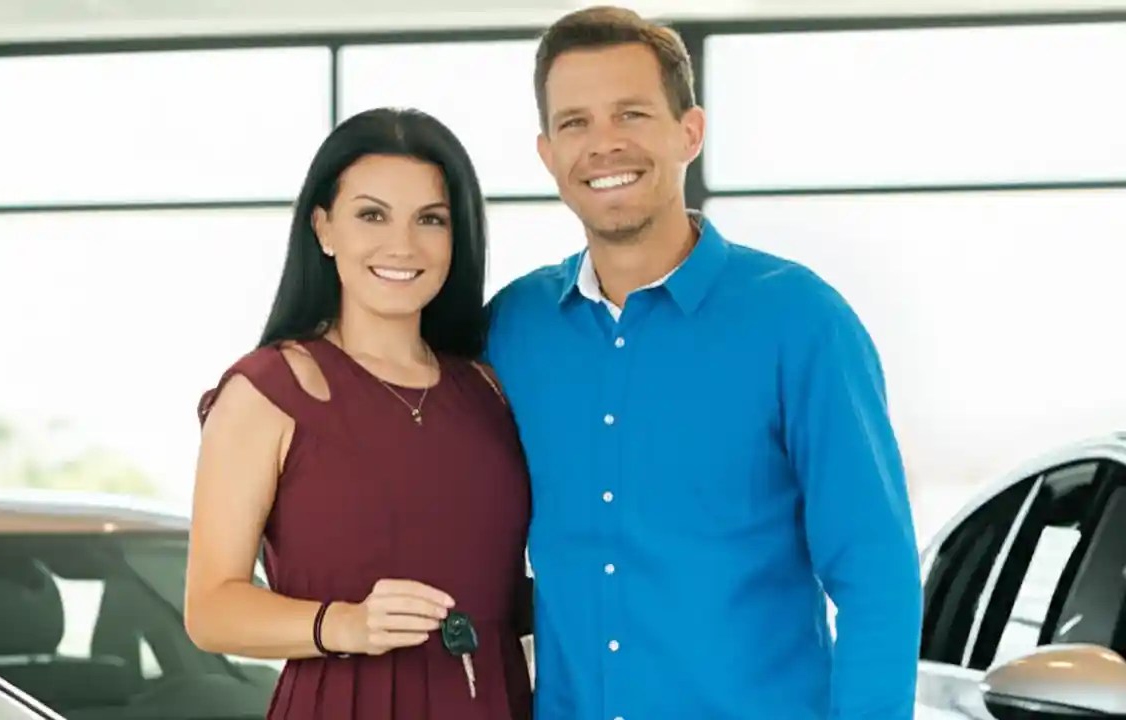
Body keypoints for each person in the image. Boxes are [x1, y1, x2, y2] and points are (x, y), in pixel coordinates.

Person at [484, 7, 923, 719]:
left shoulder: (801, 322)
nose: (604, 145)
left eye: (630, 113)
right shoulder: (512, 330)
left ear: (689, 131)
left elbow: (876, 578)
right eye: (575, 123)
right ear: (546, 153)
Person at [185, 107, 533, 720]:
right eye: (372, 215)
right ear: (324, 228)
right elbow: (211, 610)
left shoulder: (490, 389)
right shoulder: (265, 391)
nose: (402, 245)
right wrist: (344, 625)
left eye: (431, 219)